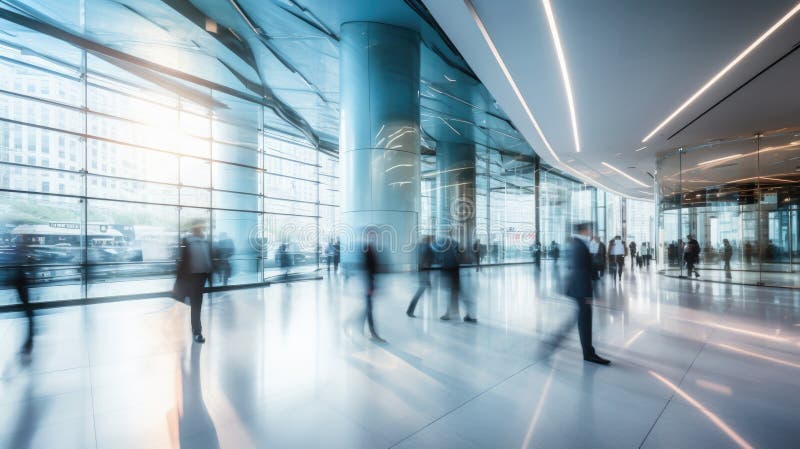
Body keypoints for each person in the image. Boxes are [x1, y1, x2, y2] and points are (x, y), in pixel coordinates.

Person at [545, 223, 610, 365]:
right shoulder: (579, 245)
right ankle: (586, 353)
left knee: (579, 320)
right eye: (589, 230)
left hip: (578, 289)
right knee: (583, 321)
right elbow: (581, 271)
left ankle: (554, 344)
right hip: (581, 289)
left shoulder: (576, 244)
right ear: (584, 230)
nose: (590, 232)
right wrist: (588, 294)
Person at [174, 220, 212, 343]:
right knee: (196, 305)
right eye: (197, 227)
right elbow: (183, 261)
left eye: (200, 227)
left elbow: (208, 259)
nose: (199, 229)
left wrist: (209, 276)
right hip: (191, 277)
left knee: (196, 304)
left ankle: (196, 330)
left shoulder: (206, 242)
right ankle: (197, 331)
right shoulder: (187, 242)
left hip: (201, 277)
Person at [438, 237, 476, 323]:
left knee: (456, 295)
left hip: (452, 273)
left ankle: (451, 314)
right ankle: (468, 315)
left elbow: (446, 262)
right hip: (456, 273)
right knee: (460, 295)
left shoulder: (446, 248)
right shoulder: (455, 245)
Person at [10, 235, 34, 353]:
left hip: (20, 281)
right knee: (25, 299)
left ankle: (27, 310)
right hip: (21, 280)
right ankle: (28, 311)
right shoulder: (20, 252)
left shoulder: (17, 252)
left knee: (24, 299)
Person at [362, 235, 384, 342]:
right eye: (371, 234)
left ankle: (352, 325)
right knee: (369, 309)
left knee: (368, 308)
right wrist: (369, 286)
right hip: (368, 283)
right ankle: (373, 333)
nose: (374, 236)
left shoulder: (372, 248)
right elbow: (366, 268)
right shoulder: (366, 249)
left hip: (371, 282)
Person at [407, 236, 434, 317]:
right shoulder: (426, 247)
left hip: (423, 272)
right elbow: (427, 260)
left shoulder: (419, 247)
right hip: (424, 272)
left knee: (420, 291)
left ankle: (410, 310)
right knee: (420, 292)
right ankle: (410, 310)